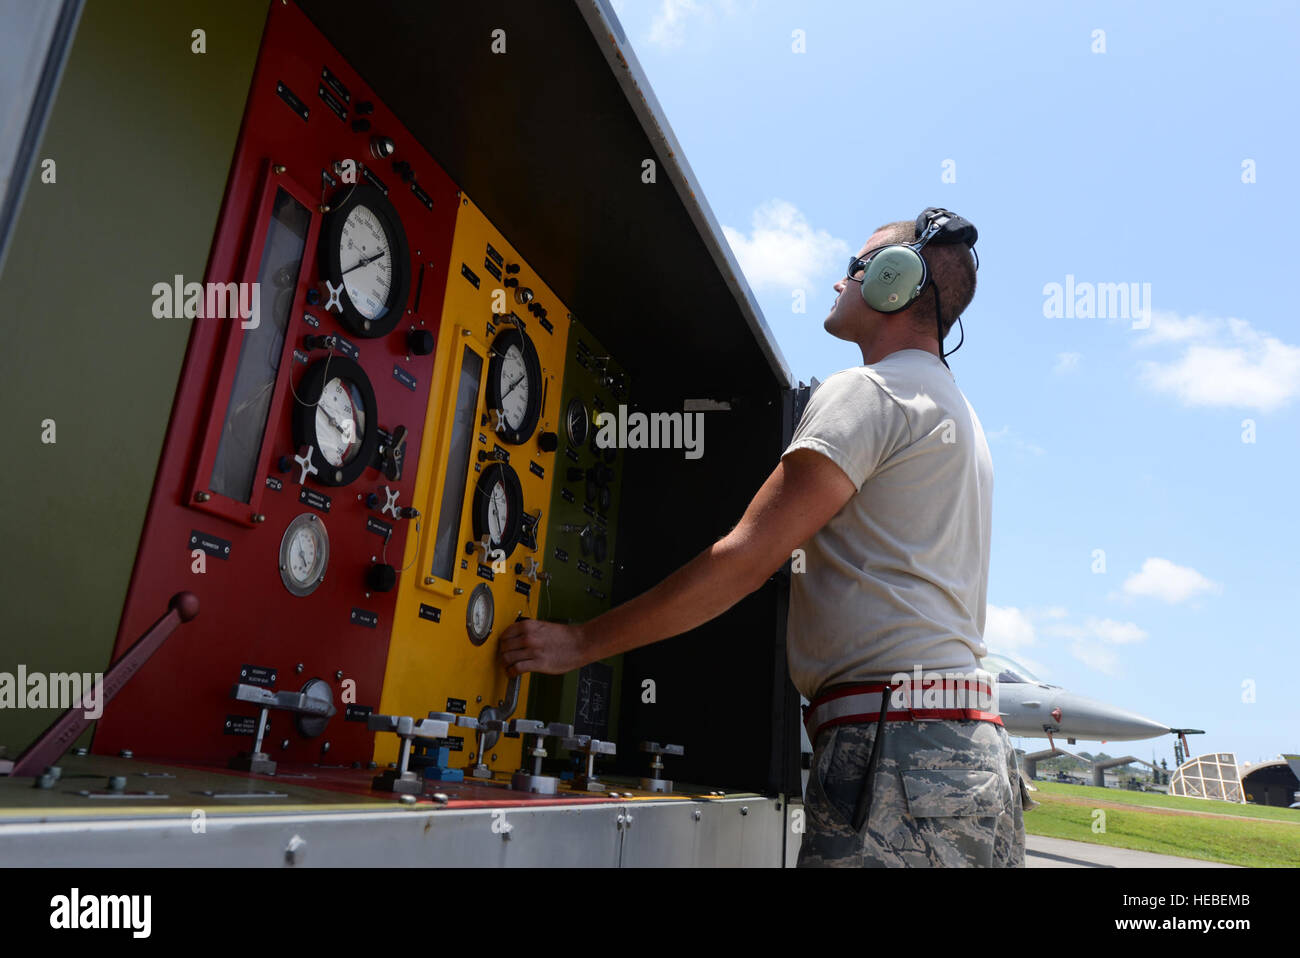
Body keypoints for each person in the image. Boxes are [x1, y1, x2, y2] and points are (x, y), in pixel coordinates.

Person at [498, 208, 1027, 867]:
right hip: (964, 752)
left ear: (896, 281)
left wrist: (578, 643)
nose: (839, 284)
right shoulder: (953, 407)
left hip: (896, 746)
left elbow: (743, 560)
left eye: (856, 269)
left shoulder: (869, 392)